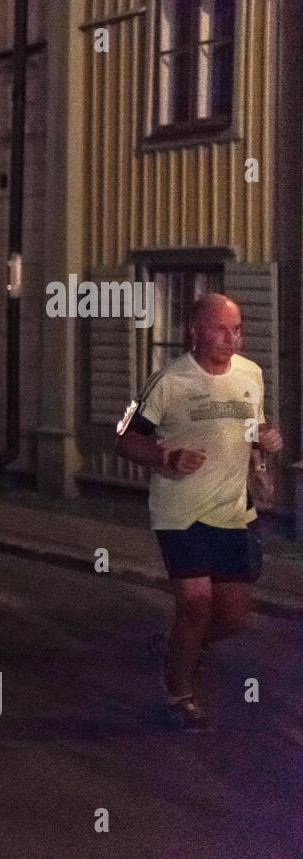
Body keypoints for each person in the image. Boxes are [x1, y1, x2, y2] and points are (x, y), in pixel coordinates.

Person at [115, 293, 283, 733]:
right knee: (195, 604)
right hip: (180, 511)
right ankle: (180, 693)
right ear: (196, 330)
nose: (232, 338)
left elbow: (251, 426)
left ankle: (178, 650)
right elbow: (126, 440)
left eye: (238, 329)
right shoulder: (168, 381)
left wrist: (262, 454)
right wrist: (167, 458)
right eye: (222, 329)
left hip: (233, 512)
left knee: (232, 617)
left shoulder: (251, 374)